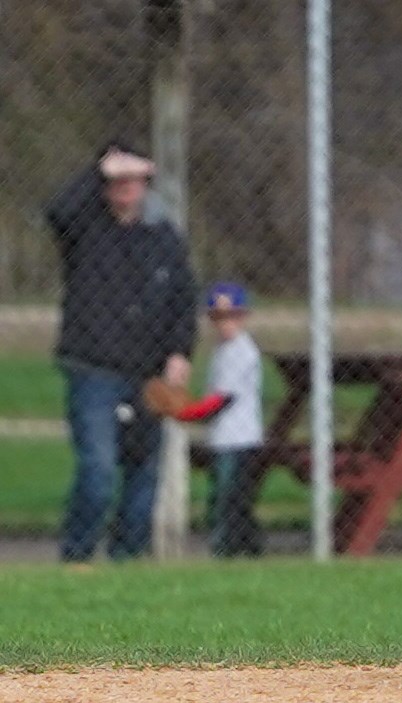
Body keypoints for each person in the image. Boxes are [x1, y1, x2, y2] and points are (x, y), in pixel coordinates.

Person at [45, 143, 198, 562]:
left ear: (147, 182)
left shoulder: (164, 237)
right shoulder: (85, 229)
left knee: (143, 472)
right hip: (93, 368)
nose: (126, 188)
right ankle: (78, 556)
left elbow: (183, 300)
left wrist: (180, 352)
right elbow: (57, 212)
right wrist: (98, 167)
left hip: (147, 372)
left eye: (134, 179)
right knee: (98, 469)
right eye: (116, 180)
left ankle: (127, 560)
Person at [203, 282, 265, 557]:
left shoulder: (243, 350)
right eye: (218, 317)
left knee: (229, 498)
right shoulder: (221, 350)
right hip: (221, 437)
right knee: (227, 496)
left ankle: (225, 548)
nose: (225, 323)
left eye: (231, 316)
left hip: (240, 439)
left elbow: (221, 399)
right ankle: (246, 546)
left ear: (243, 316)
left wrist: (188, 412)